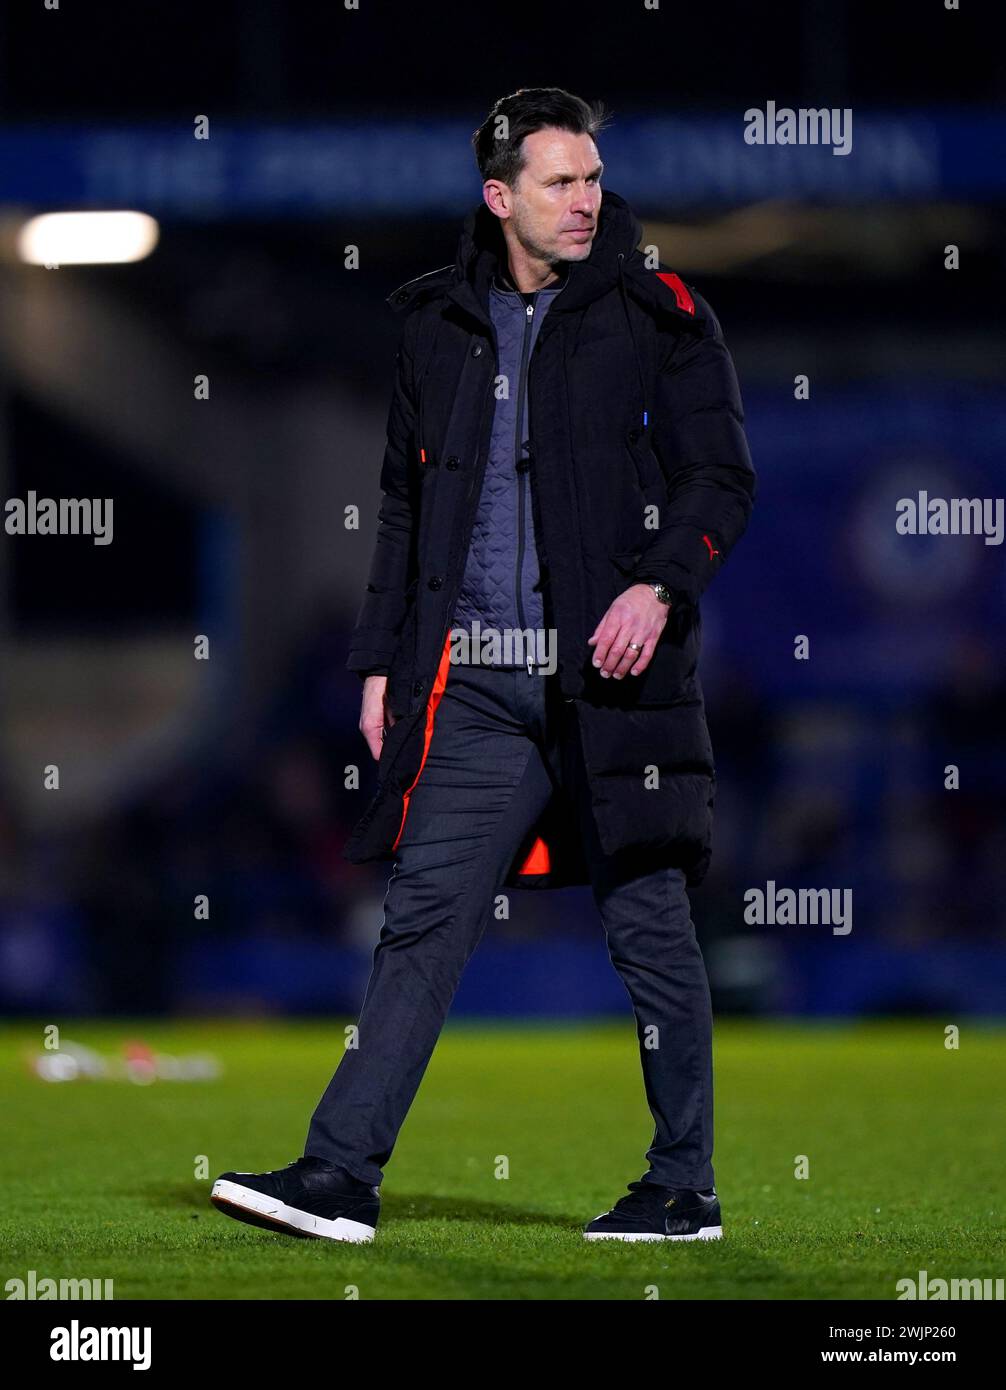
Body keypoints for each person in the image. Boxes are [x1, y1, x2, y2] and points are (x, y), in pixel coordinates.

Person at [211, 86, 755, 1245]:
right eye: (560, 181)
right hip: (473, 684)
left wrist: (660, 585)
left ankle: (683, 1187)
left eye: (594, 178)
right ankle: (339, 1174)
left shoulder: (659, 315)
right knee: (419, 921)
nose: (585, 200)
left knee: (650, 924)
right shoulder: (433, 325)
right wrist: (379, 663)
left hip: (615, 684)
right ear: (499, 196)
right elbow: (405, 507)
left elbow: (721, 479)